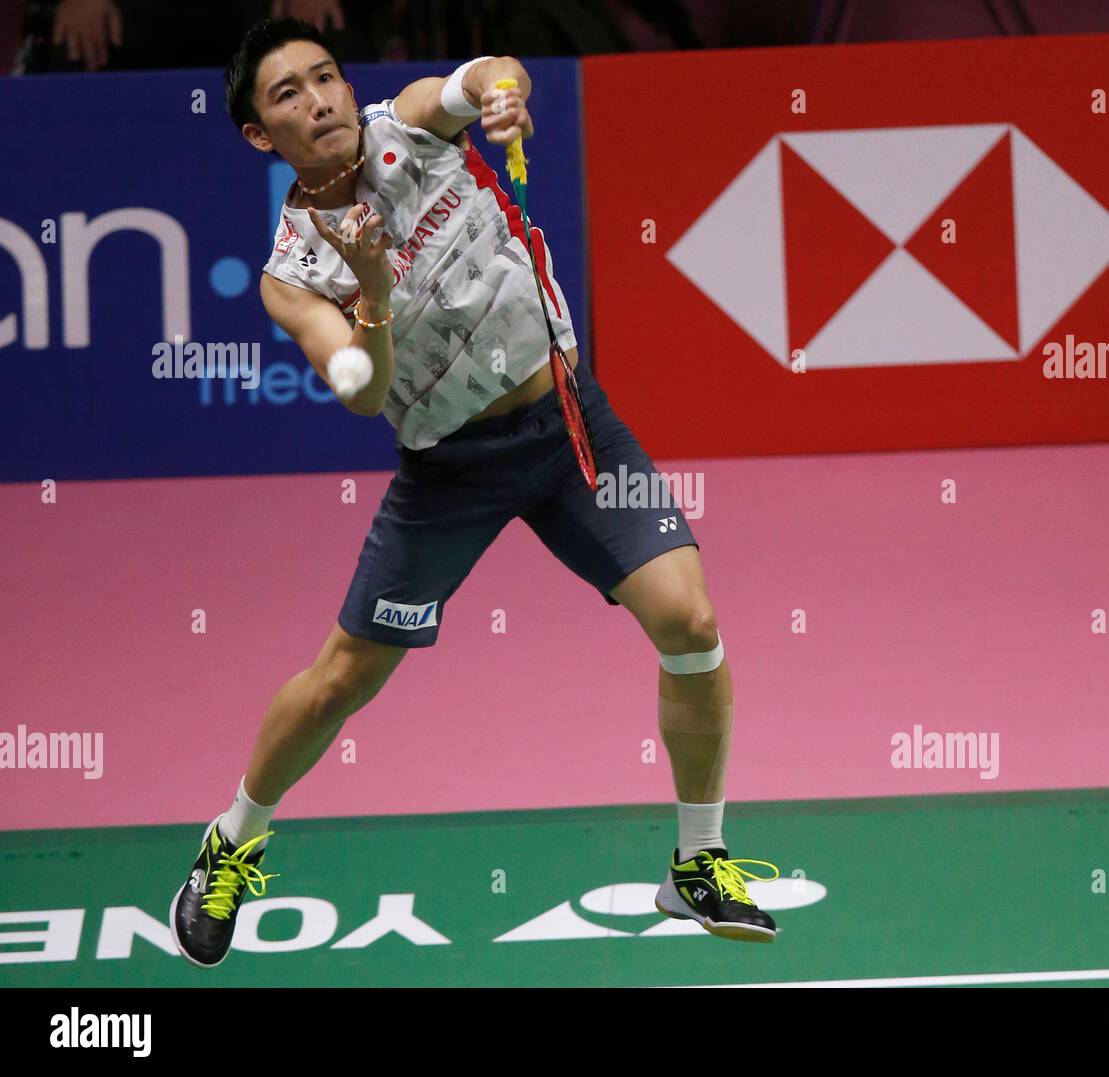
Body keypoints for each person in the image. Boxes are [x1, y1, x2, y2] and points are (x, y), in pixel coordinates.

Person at [168, 16, 779, 969]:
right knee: (343, 679)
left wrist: (501, 91)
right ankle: (230, 841)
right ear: (258, 132)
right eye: (287, 94)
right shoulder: (292, 279)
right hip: (450, 469)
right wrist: (368, 292)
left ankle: (698, 860)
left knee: (691, 625)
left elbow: (478, 76)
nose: (318, 100)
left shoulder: (404, 127)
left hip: (571, 423)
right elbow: (363, 393)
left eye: (324, 76)